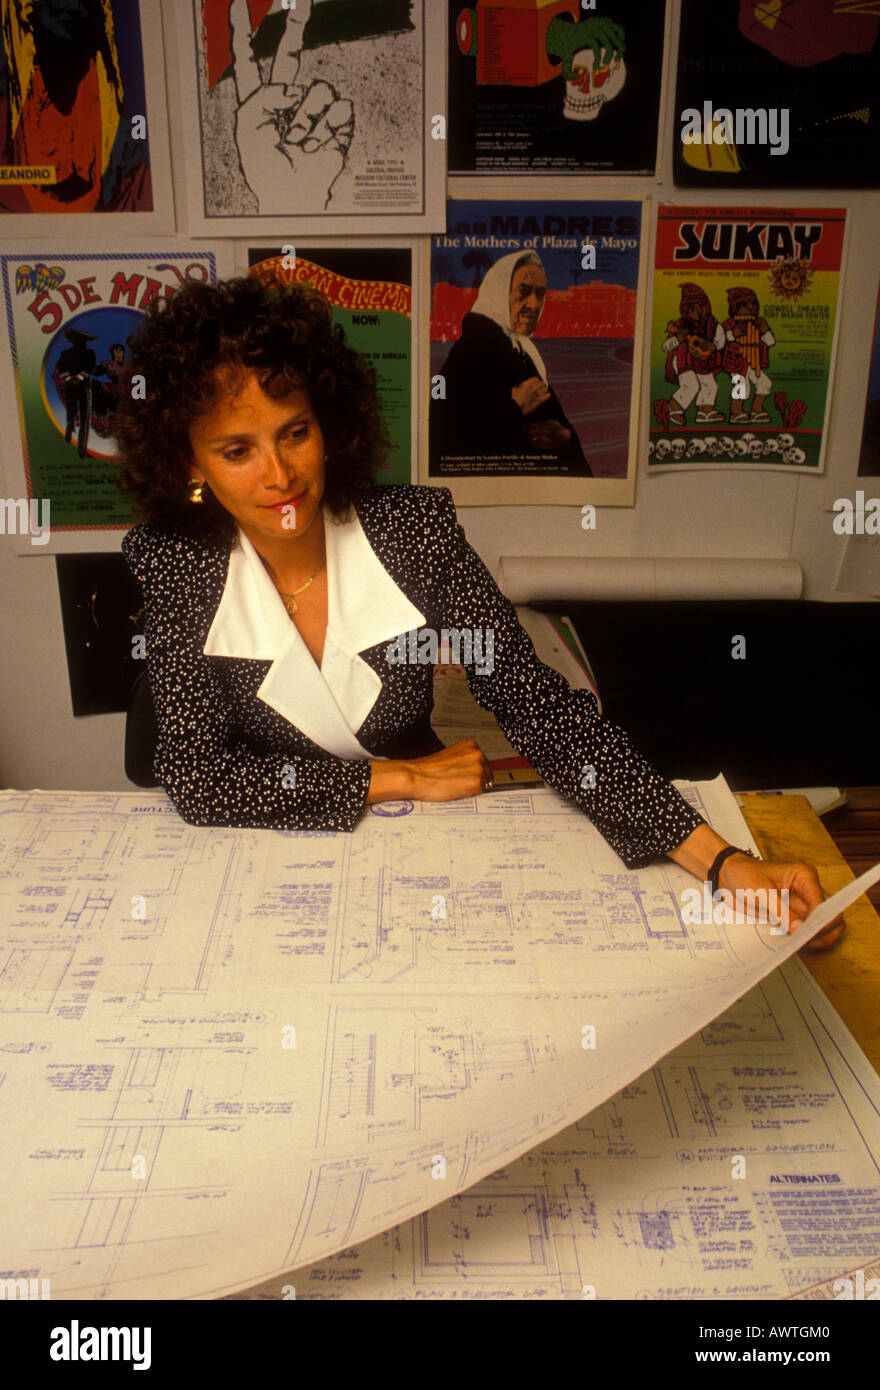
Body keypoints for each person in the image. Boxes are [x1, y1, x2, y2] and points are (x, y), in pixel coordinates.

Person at [114, 275, 841, 951]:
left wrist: (721, 864)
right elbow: (198, 775)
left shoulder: (412, 532)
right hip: (263, 875)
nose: (280, 476)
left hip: (425, 861)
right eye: (237, 450)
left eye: (295, 432)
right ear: (190, 463)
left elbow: (536, 708)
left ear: (328, 424)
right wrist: (393, 778)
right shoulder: (175, 561)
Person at [431, 250, 591, 471]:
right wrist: (513, 407)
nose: (534, 305)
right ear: (498, 293)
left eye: (540, 294)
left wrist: (565, 437)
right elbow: (446, 435)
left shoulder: (521, 349)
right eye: (523, 292)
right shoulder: (471, 352)